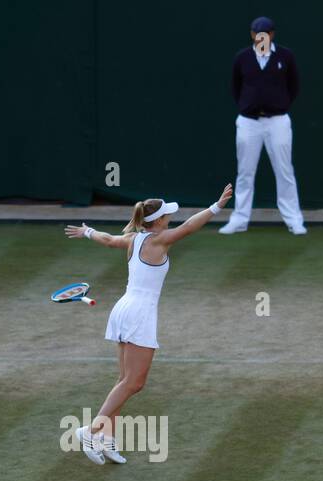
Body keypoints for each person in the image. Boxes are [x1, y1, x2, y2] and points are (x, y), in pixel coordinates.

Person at [64, 184, 233, 464]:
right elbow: (190, 227)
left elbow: (107, 239)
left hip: (124, 308)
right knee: (134, 383)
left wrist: (88, 232)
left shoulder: (133, 239)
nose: (170, 219)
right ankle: (91, 429)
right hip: (139, 313)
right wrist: (217, 206)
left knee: (123, 381)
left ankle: (106, 440)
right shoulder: (158, 240)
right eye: (166, 215)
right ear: (157, 221)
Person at [219, 16, 305, 235]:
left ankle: (294, 220)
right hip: (249, 123)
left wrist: (278, 104)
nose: (261, 37)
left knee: (284, 171)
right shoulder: (243, 58)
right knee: (245, 173)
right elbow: (235, 87)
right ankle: (239, 220)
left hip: (278, 122)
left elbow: (294, 86)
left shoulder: (285, 56)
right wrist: (249, 106)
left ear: (272, 34)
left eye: (265, 33)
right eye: (257, 33)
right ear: (252, 35)